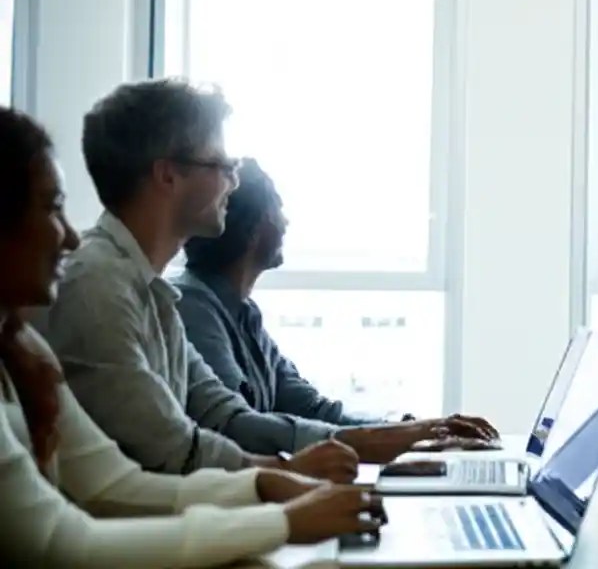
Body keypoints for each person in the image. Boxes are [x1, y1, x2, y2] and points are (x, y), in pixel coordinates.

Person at [36, 79, 495, 482]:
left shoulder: (153, 293)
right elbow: (178, 451)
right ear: (168, 174)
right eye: (220, 165)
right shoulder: (99, 286)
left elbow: (223, 415)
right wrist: (297, 472)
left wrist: (405, 435)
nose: (232, 182)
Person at [0, 106, 383, 567]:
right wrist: (282, 515)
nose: (70, 238)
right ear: (167, 175)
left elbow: (112, 483)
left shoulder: (28, 347)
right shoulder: (97, 283)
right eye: (52, 207)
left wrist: (263, 484)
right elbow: (62, 540)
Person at [174, 158, 427, 427]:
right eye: (278, 208)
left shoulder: (244, 314)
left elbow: (309, 408)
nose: (286, 222)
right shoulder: (193, 308)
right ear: (254, 226)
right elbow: (237, 426)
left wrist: (401, 430)